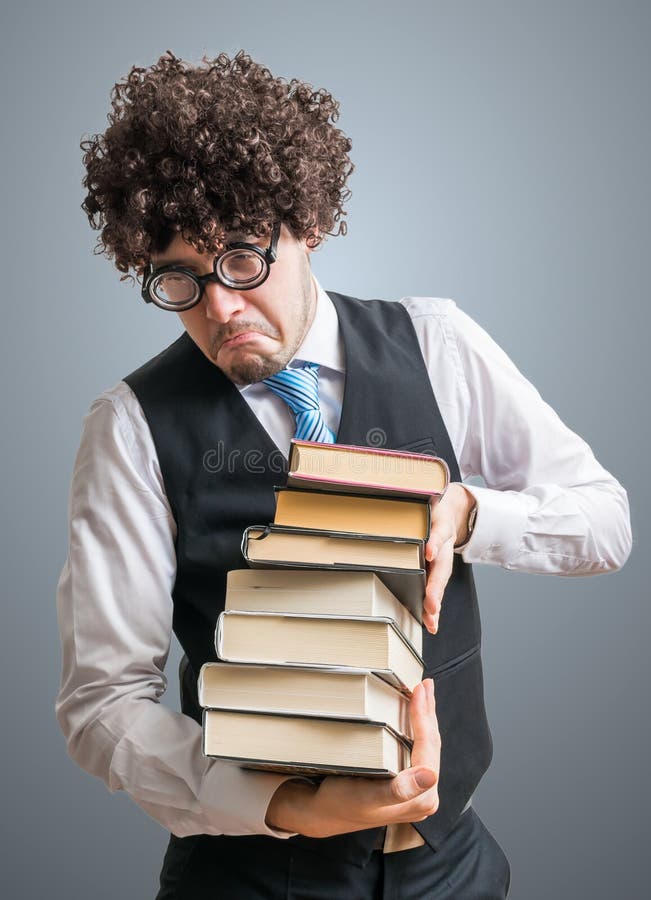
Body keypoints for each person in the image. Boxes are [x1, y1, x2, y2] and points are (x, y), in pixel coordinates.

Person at [55, 50, 632, 899]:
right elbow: (102, 706)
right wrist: (286, 805)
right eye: (178, 278)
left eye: (242, 259)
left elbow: (604, 523)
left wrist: (470, 514)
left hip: (453, 867)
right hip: (253, 875)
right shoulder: (129, 428)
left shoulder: (437, 344)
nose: (218, 308)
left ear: (309, 222)